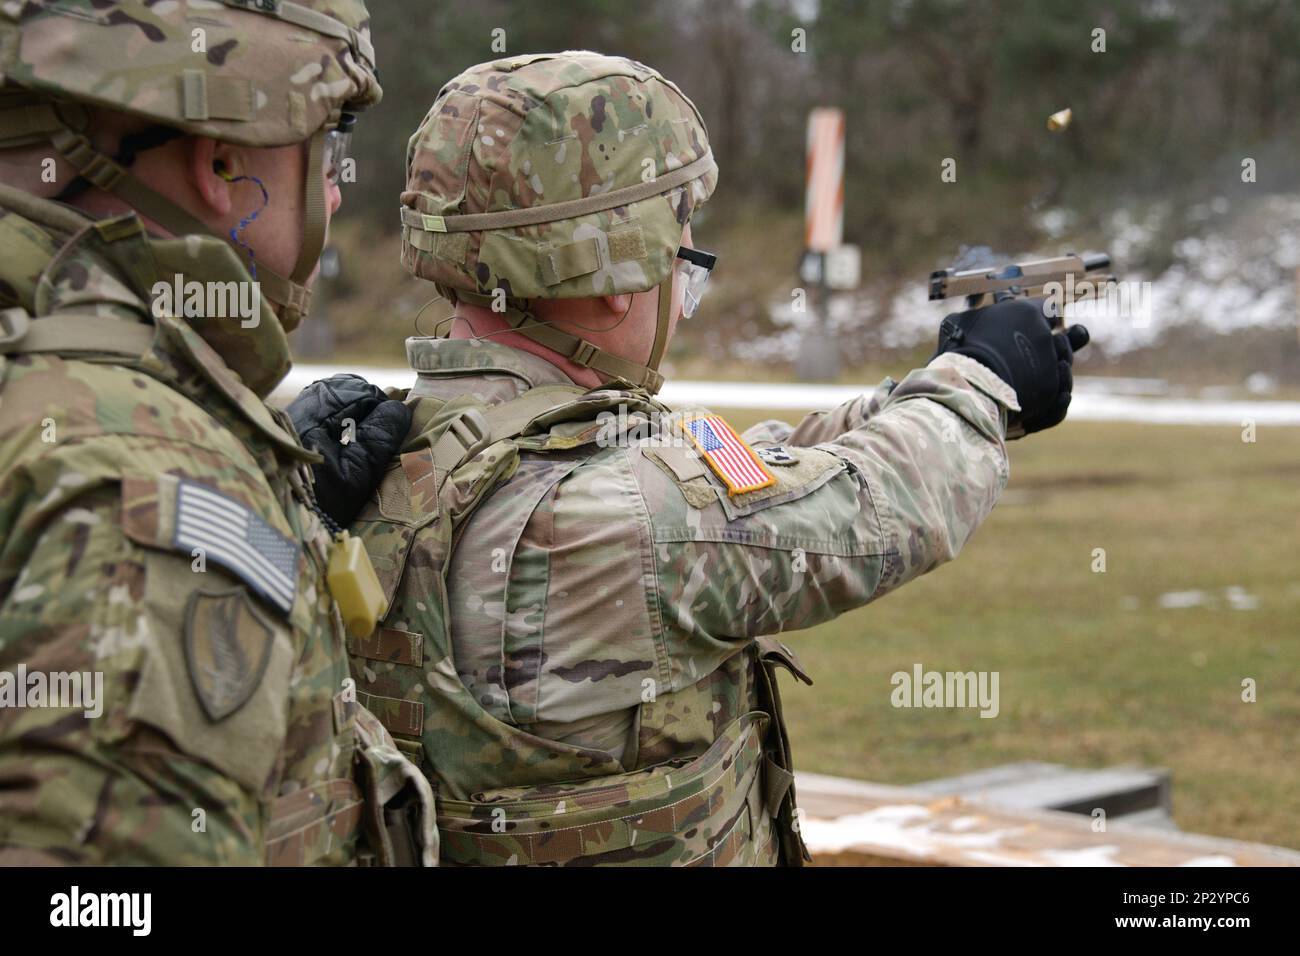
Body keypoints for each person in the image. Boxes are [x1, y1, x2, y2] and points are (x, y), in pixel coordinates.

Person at [291, 50, 1090, 866]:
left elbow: (755, 471)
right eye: (679, 236)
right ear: (615, 268)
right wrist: (981, 386)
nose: (689, 260)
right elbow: (879, 507)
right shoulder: (625, 511)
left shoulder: (376, 454)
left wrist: (914, 390)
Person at [0, 0, 432, 865]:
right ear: (224, 162)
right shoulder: (143, 480)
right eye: (327, 143)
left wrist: (285, 502)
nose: (336, 187)